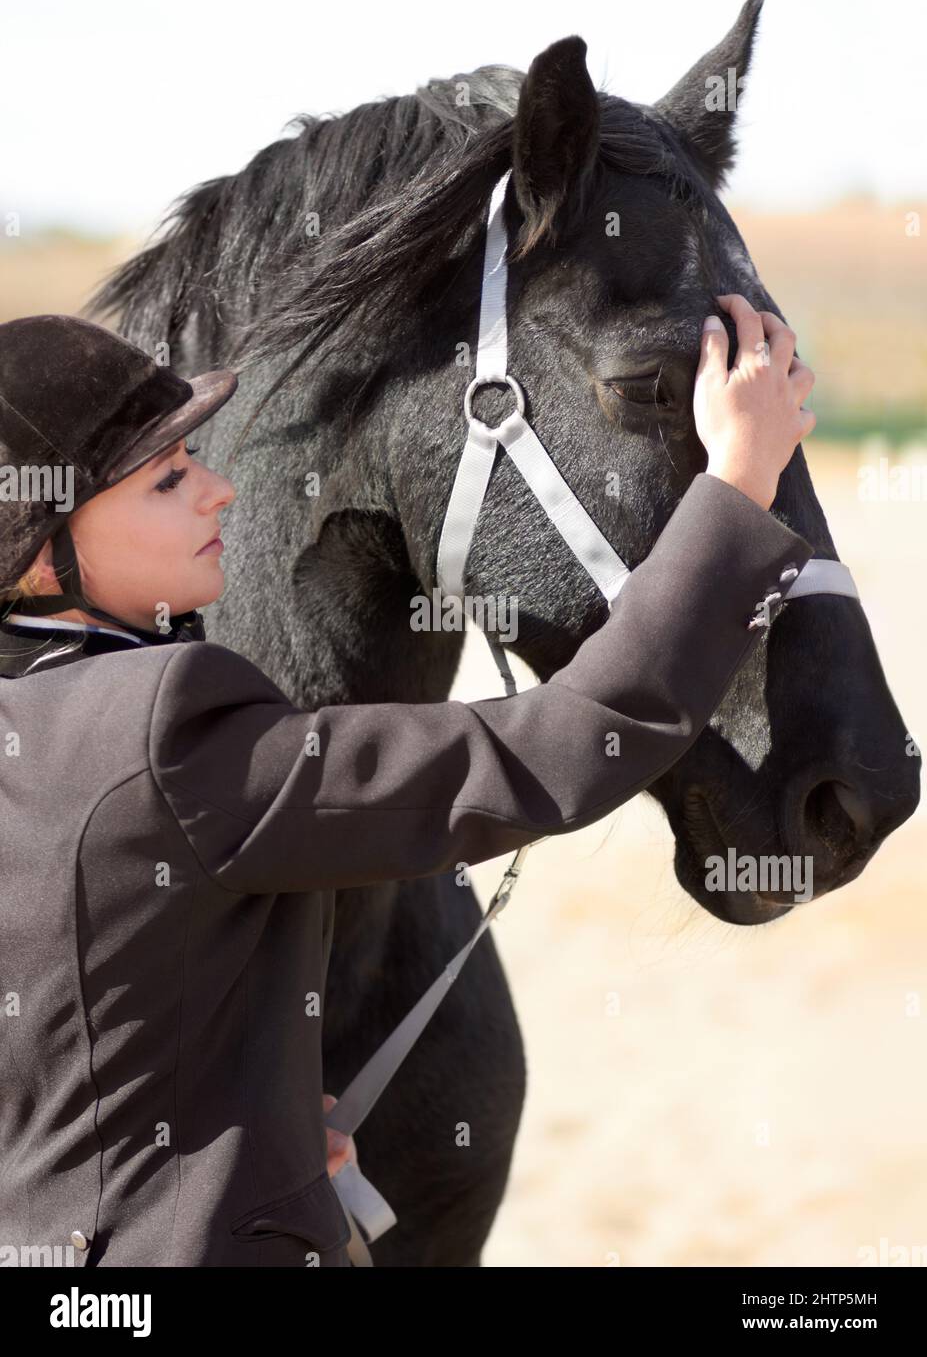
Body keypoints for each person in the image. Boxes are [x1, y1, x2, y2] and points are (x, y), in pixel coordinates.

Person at [0, 299, 816, 1268]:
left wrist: (240, 1124)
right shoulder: (166, 720)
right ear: (45, 563)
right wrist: (736, 488)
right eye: (168, 478)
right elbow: (550, 750)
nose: (218, 491)